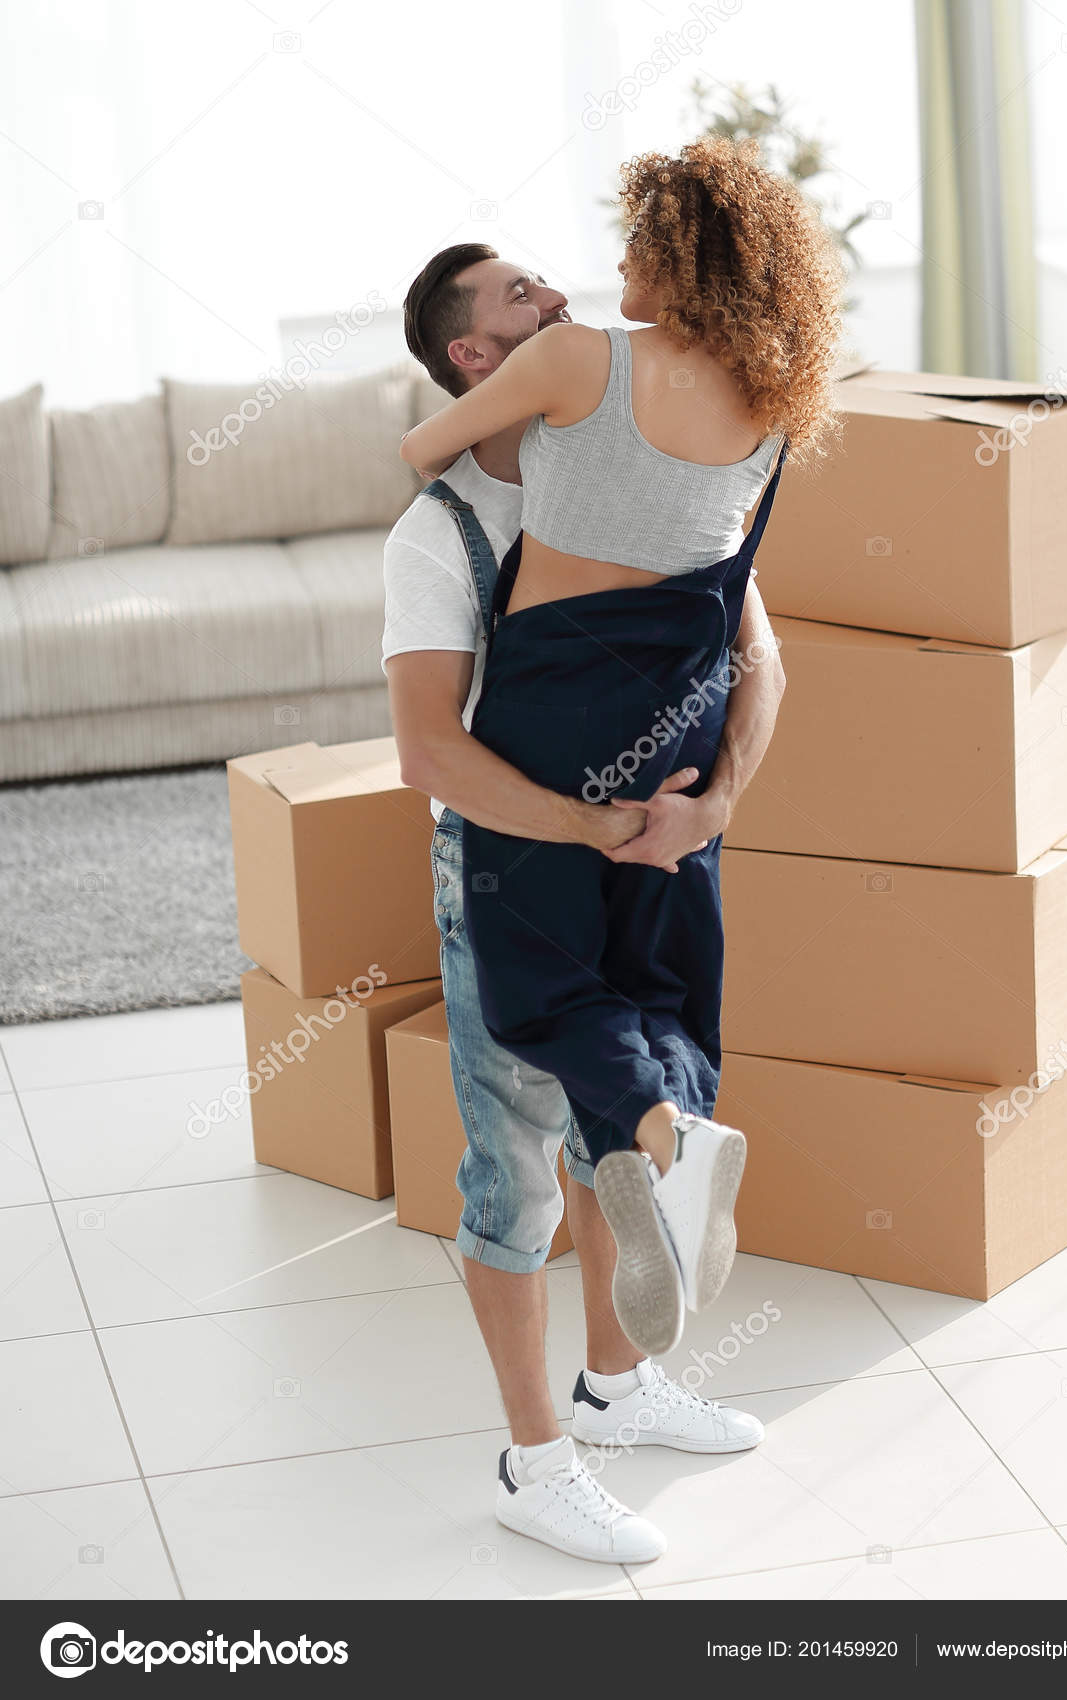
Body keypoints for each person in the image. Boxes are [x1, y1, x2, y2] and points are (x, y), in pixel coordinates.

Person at [400, 140, 842, 1373]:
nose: (613, 265)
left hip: (556, 708)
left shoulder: (574, 358)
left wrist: (499, 453)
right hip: (689, 720)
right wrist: (717, 797)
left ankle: (653, 1128)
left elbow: (422, 449)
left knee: (545, 981)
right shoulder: (777, 402)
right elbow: (740, 603)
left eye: (639, 242)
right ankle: (667, 1129)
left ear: (684, 254)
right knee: (667, 978)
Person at [386, 239, 790, 1565]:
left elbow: (757, 649)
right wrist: (586, 824)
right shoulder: (438, 533)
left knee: (611, 1139)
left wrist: (713, 803)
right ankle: (532, 1461)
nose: (558, 298)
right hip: (511, 863)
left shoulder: (636, 468)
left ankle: (618, 1387)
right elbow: (429, 755)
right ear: (475, 361)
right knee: (508, 1173)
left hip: (641, 850)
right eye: (520, 297)